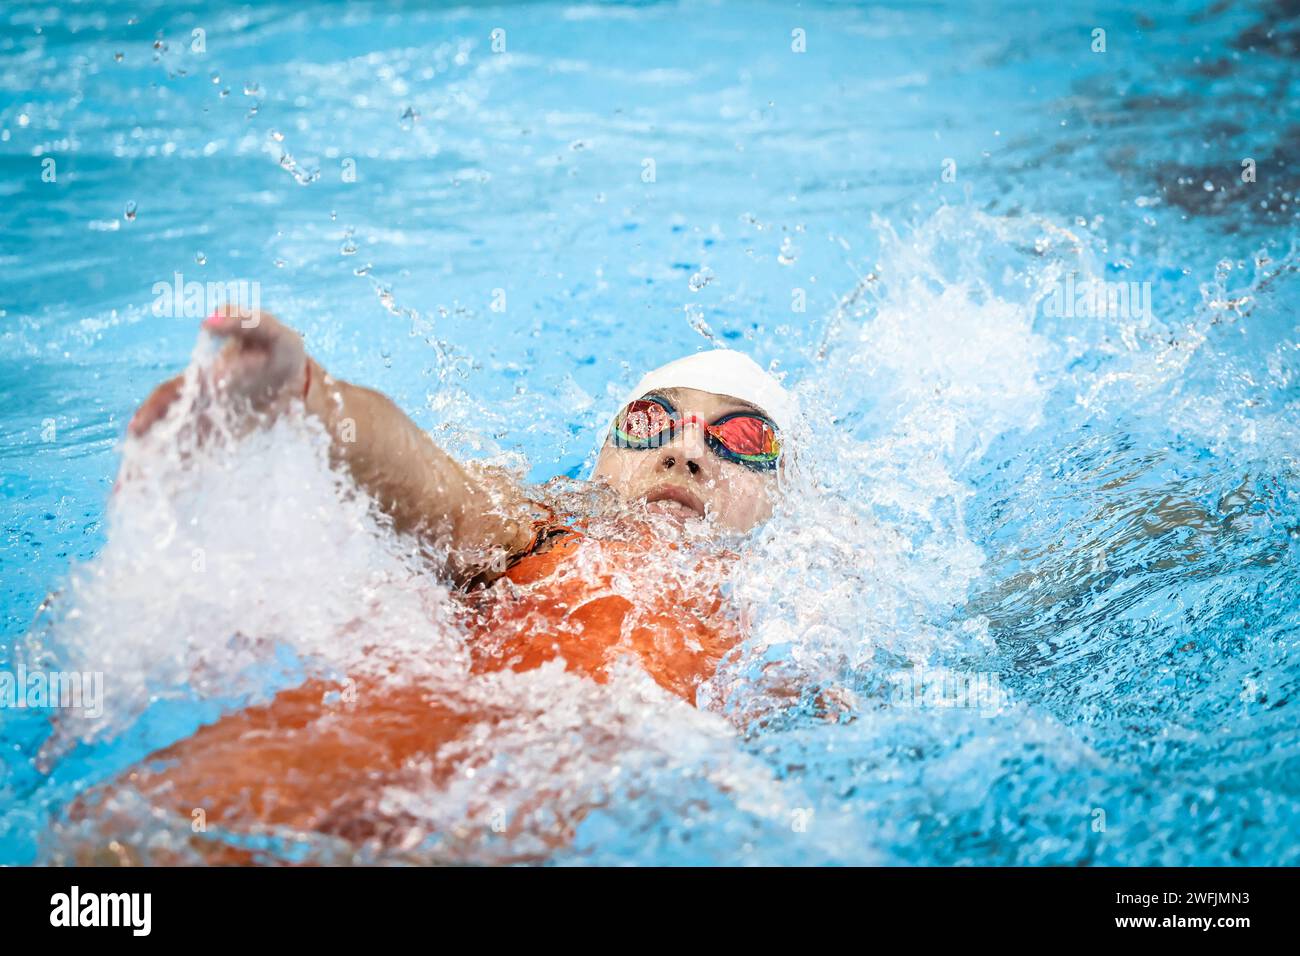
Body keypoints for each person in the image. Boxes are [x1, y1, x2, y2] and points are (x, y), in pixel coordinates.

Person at [75, 304, 797, 863]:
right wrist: (311, 395)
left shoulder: (790, 624)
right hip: (372, 735)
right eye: (649, 422)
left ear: (785, 499)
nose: (683, 451)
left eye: (741, 441)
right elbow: (432, 486)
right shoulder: (541, 531)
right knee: (108, 847)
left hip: (522, 808)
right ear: (604, 458)